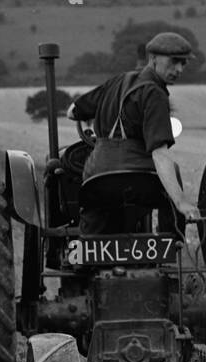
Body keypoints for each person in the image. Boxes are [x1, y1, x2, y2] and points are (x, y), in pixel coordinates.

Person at [69, 32, 198, 235]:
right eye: (174, 62)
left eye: (183, 64)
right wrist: (181, 202)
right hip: (140, 177)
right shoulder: (155, 93)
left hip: (98, 175)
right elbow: (159, 152)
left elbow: (72, 112)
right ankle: (172, 241)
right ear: (153, 58)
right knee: (172, 171)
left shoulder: (117, 81)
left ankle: (89, 249)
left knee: (94, 214)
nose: (179, 69)